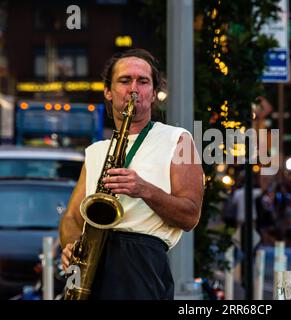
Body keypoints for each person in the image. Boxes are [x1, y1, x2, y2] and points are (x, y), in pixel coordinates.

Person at [59, 48, 204, 299]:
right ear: (108, 91)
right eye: (125, 80)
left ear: (153, 94)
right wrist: (71, 246)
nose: (134, 88)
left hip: (142, 264)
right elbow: (72, 217)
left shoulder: (179, 140)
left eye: (143, 81)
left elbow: (190, 215)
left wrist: (144, 190)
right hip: (92, 262)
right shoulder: (95, 151)